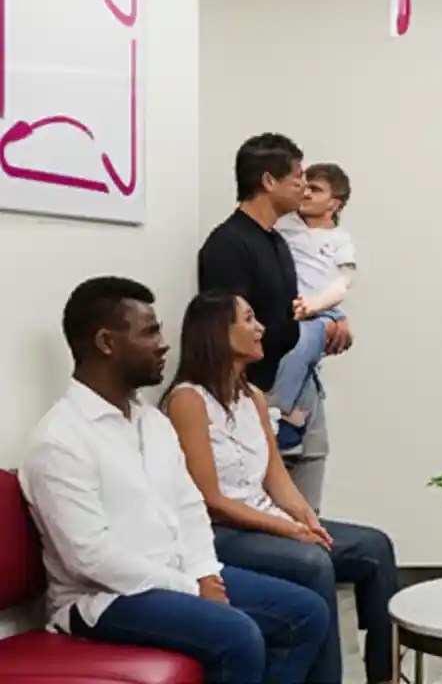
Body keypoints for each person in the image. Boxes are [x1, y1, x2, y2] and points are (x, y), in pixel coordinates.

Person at [19, 276, 330, 684]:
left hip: (178, 575)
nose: (163, 343)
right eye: (149, 332)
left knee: (307, 613)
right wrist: (190, 586)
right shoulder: (60, 439)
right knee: (237, 635)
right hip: (106, 599)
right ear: (106, 343)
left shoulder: (150, 420)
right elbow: (91, 558)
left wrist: (204, 572)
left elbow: (189, 505)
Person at [164, 290, 398, 684]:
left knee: (374, 548)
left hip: (266, 520)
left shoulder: (252, 396)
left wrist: (306, 519)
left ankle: (385, 675)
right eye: (250, 319)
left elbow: (276, 476)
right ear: (218, 332)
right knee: (313, 563)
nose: (261, 328)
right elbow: (211, 501)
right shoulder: (187, 400)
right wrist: (288, 530)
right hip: (221, 532)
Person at [198, 133, 352, 509]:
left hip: (298, 388)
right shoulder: (228, 245)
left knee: (311, 485)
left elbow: (292, 311)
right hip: (257, 398)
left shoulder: (279, 243)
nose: (302, 186)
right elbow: (227, 333)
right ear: (269, 181)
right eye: (298, 177)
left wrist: (331, 322)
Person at [271, 163, 357, 450]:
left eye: (315, 189)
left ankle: (277, 414)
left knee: (302, 343)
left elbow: (342, 284)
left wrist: (313, 305)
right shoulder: (285, 225)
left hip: (321, 310)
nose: (305, 192)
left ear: (335, 202)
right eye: (304, 185)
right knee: (300, 359)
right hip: (291, 308)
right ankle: (297, 420)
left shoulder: (339, 240)